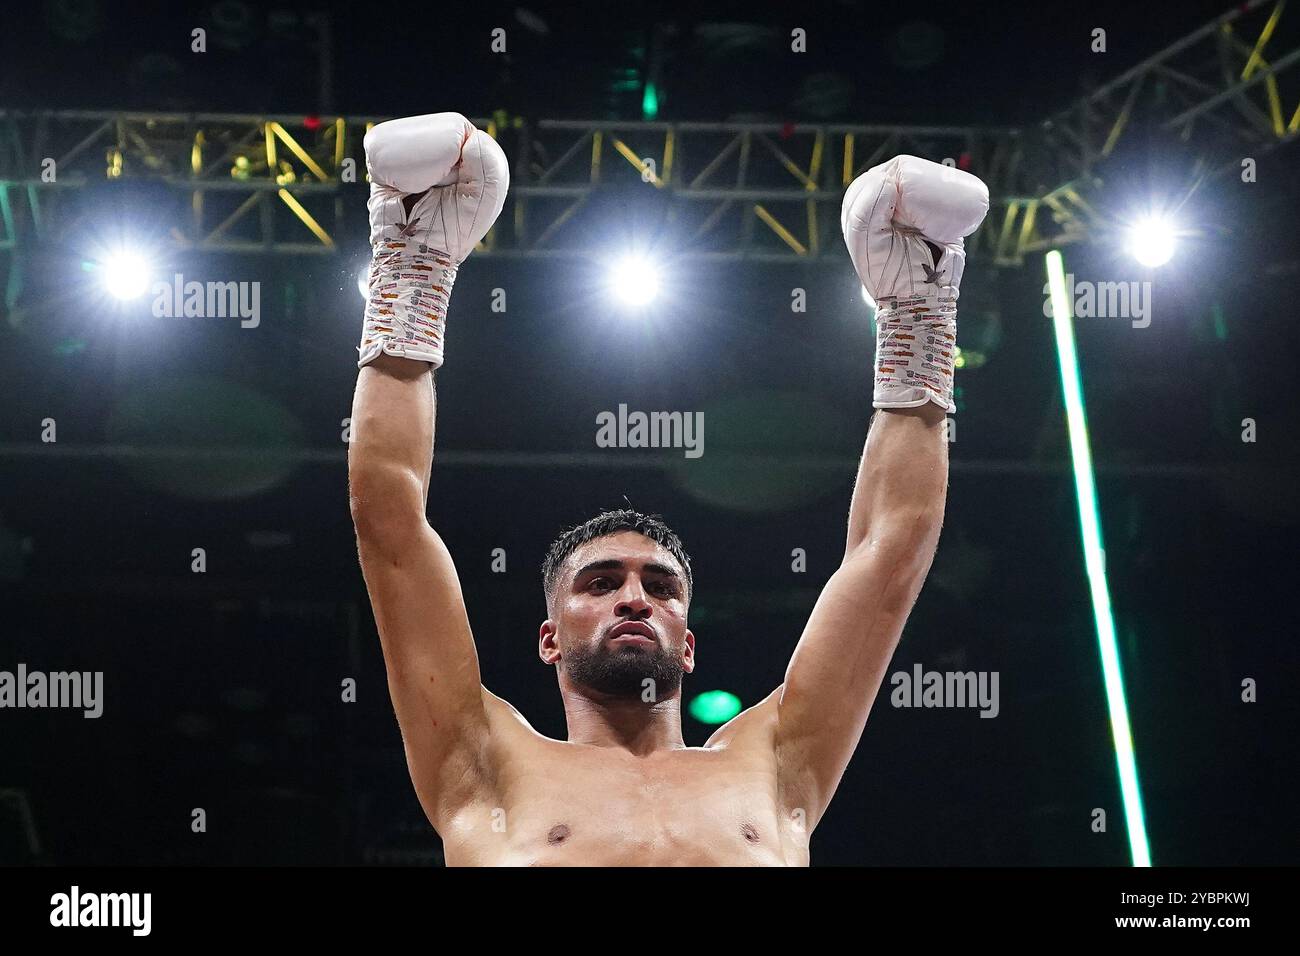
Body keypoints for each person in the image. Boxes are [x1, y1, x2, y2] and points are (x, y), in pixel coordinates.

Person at [347, 112, 988, 865]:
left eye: (660, 585)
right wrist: (411, 269)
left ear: (689, 646)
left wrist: (920, 322)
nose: (633, 597)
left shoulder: (776, 765)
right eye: (600, 582)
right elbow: (388, 516)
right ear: (548, 638)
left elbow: (891, 554)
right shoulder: (484, 767)